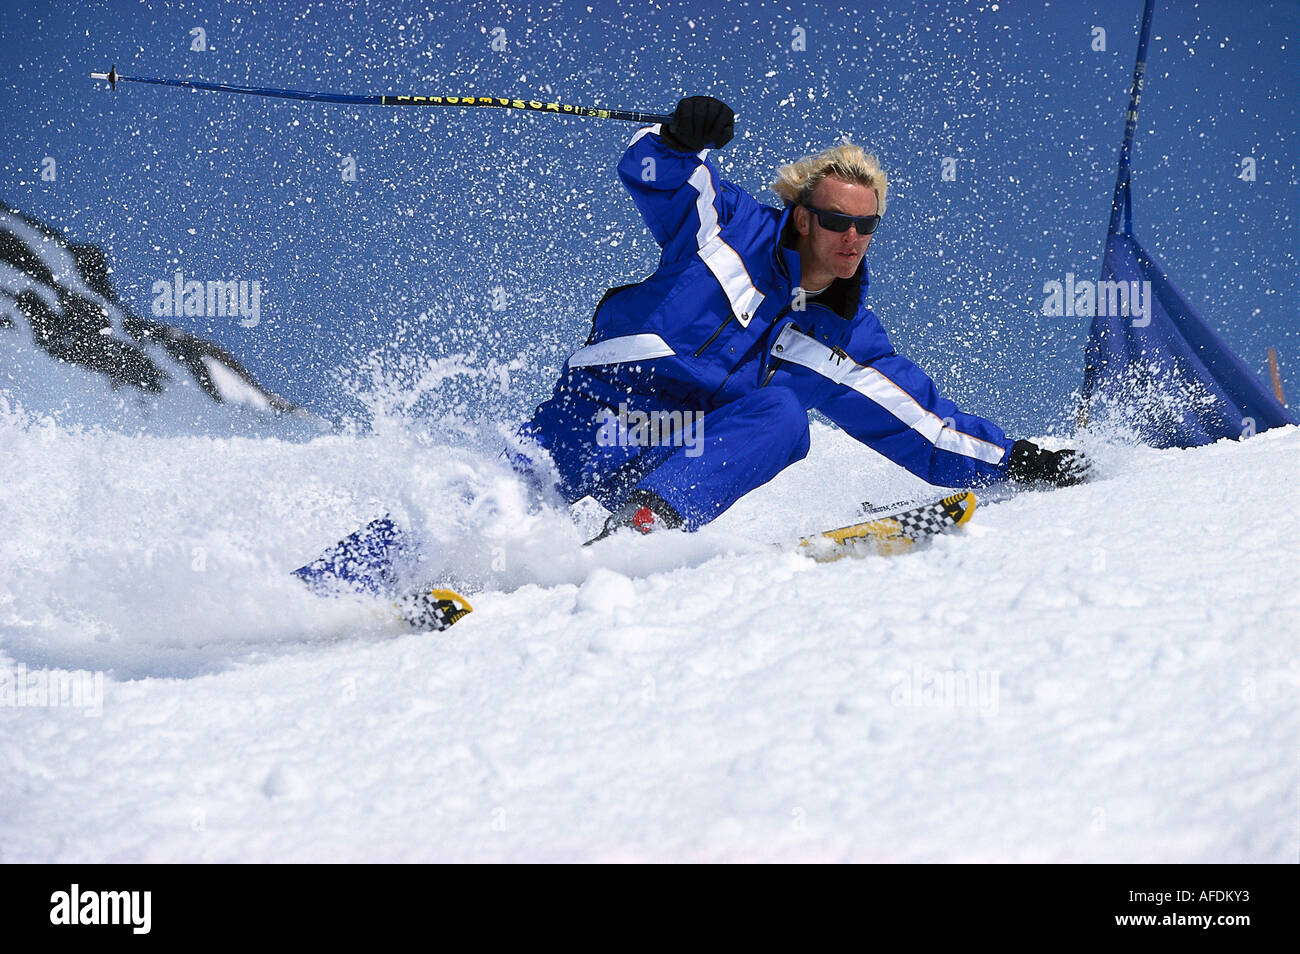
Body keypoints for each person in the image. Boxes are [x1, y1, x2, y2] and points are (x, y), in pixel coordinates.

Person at [513, 96, 1089, 541]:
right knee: (483, 506)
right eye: (838, 221)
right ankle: (425, 582)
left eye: (867, 227)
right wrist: (675, 139)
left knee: (784, 416)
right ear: (804, 217)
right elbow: (647, 169)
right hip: (592, 417)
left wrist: (1015, 461)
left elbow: (926, 429)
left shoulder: (844, 333)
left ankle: (642, 528)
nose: (852, 238)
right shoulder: (727, 228)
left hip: (676, 451)